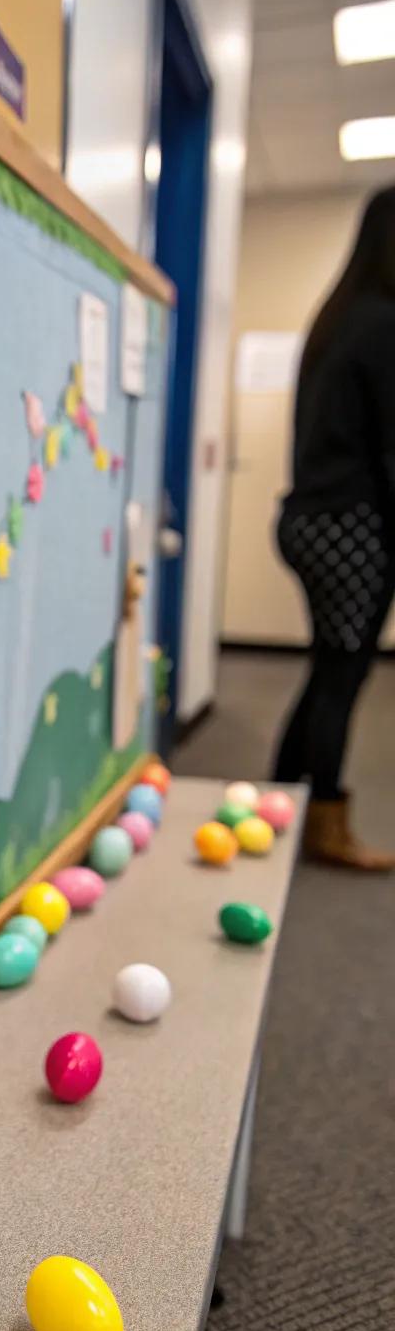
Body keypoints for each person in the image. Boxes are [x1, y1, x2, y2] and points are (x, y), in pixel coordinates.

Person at [273, 185, 395, 871]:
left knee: (328, 670)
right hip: (353, 530)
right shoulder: (384, 325)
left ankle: (281, 799)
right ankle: (324, 823)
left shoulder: (339, 318)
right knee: (342, 678)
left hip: (310, 521)